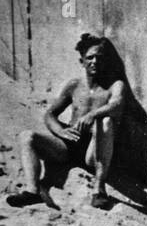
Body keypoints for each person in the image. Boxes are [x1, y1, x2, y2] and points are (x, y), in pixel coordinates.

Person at [9, 34, 127, 210]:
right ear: (82, 61)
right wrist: (60, 131)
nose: (95, 61)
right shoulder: (74, 85)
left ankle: (99, 190)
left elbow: (116, 104)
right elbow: (50, 114)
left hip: (93, 150)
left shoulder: (114, 85)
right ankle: (33, 192)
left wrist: (92, 115)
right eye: (90, 57)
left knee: (106, 122)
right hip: (68, 146)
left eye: (99, 57)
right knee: (27, 137)